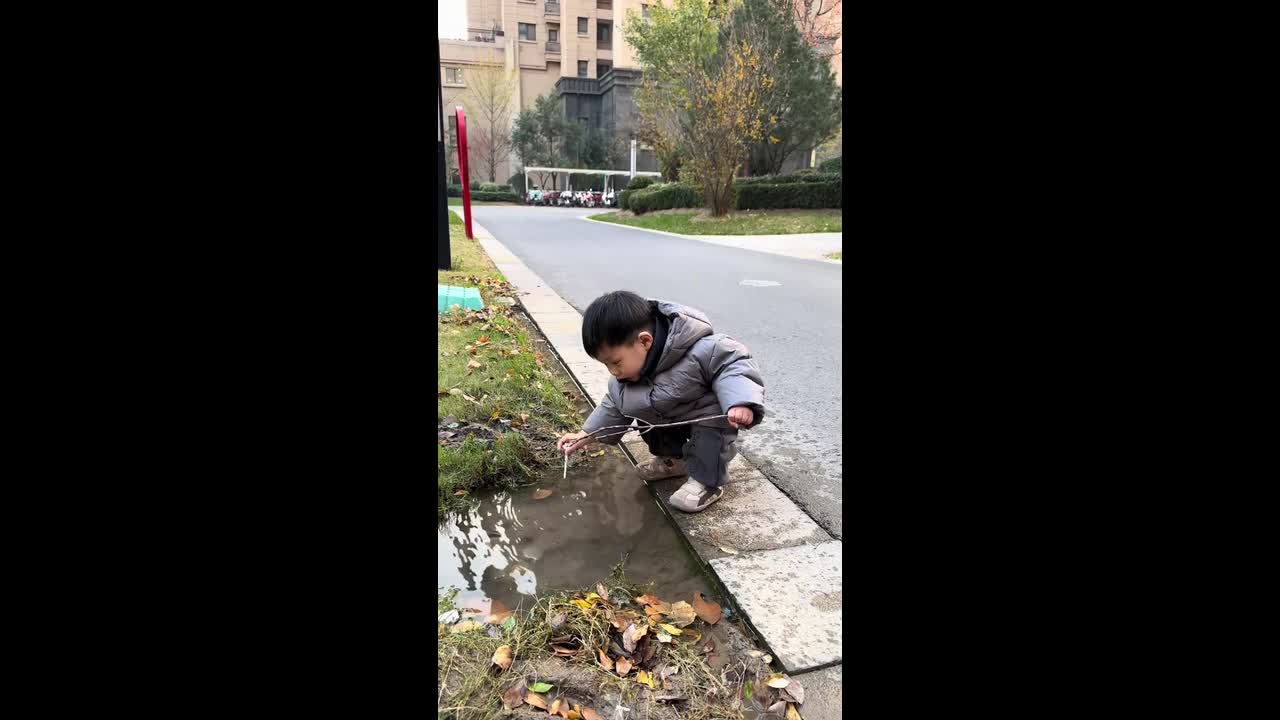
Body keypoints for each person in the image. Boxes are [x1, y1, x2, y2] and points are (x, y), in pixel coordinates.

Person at [556, 291, 765, 512]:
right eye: (606, 365)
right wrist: (586, 435)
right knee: (641, 410)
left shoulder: (703, 350)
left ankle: (707, 482)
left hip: (706, 417)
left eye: (616, 362)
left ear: (645, 341)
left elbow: (734, 366)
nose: (613, 372)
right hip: (670, 418)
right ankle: (674, 461)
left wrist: (740, 402)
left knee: (709, 431)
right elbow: (615, 405)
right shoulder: (627, 376)